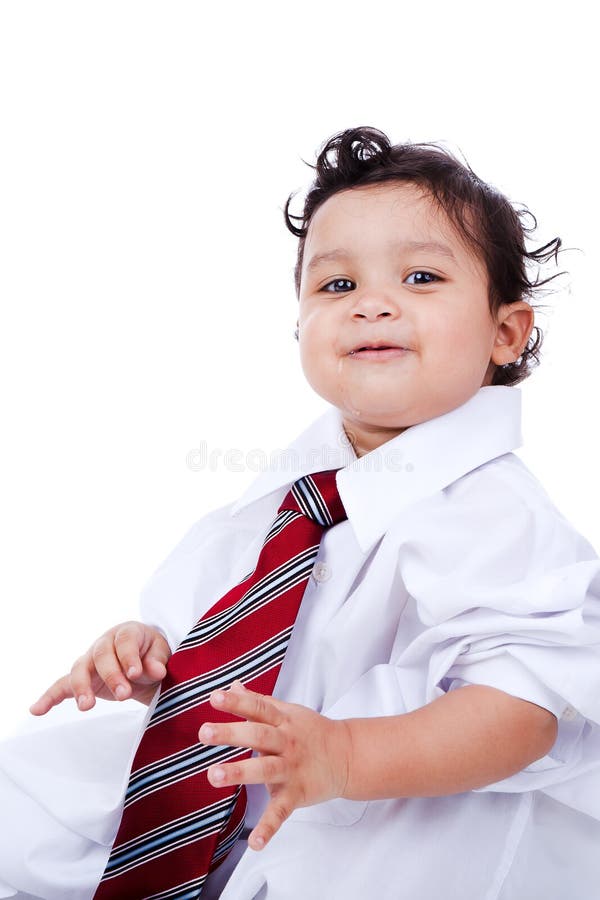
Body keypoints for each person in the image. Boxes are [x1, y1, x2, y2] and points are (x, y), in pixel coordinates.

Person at [2, 125, 600, 899]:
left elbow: (527, 711)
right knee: (28, 794)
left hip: (409, 825)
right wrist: (148, 654)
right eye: (337, 286)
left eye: (421, 278)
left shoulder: (497, 516)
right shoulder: (287, 499)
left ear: (506, 331)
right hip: (245, 811)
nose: (373, 306)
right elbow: (226, 650)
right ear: (298, 327)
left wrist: (348, 756)